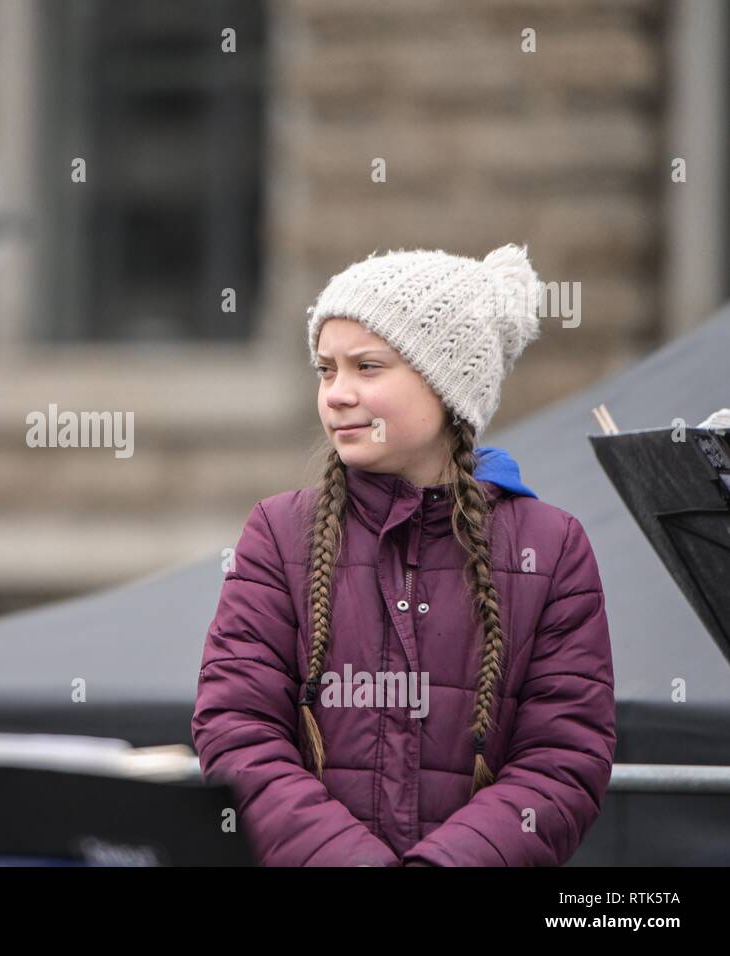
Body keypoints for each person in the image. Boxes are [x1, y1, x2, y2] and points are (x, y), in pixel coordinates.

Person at [191, 244, 617, 866]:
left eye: (367, 367)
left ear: (448, 385)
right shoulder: (279, 535)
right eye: (325, 369)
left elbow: (562, 760)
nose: (336, 394)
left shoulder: (550, 550)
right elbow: (237, 732)